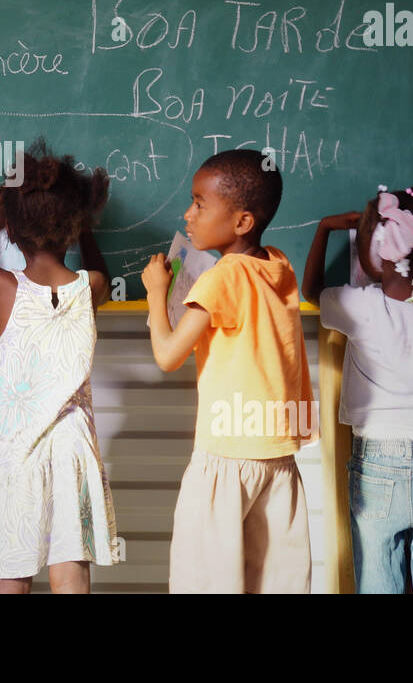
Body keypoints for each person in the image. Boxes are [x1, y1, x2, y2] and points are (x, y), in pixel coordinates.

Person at [0, 142, 118, 594]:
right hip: (72, 450)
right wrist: (85, 232)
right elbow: (99, 270)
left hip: (14, 454)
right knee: (70, 570)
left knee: (11, 572)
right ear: (73, 225)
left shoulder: (4, 287)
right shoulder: (92, 287)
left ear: (12, 231)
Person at [143, 148, 315, 593]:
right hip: (278, 457)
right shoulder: (278, 264)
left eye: (200, 203)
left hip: (226, 457)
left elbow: (167, 355)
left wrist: (155, 293)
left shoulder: (222, 276)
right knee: (275, 583)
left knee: (205, 583)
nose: (188, 214)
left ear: (242, 222)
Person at [304, 184, 413, 594]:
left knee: (379, 581)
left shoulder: (360, 306)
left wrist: (324, 229)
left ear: (377, 249)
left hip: (379, 459)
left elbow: (311, 293)